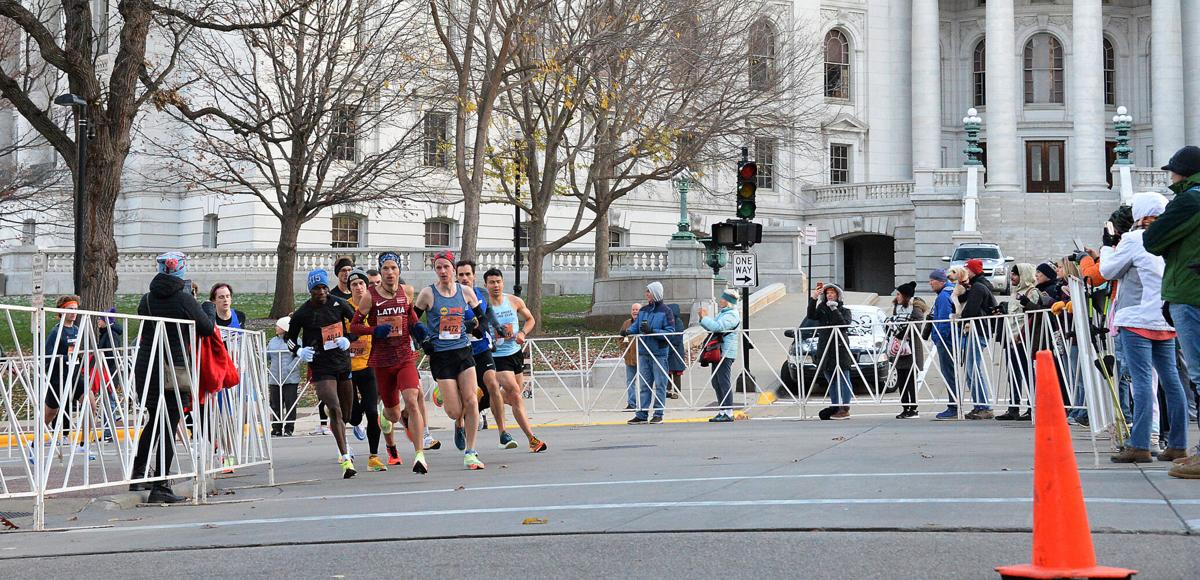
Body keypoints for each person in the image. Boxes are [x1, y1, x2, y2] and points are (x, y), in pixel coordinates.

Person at [1100, 192, 1190, 464]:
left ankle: (1139, 443)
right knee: (1171, 382)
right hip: (1165, 317)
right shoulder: (1173, 237)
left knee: (1141, 381)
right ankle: (1178, 442)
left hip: (1136, 318)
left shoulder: (1134, 238)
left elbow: (1108, 271)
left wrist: (1108, 246)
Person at [129, 252, 216, 503]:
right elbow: (207, 328)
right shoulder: (184, 299)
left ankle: (139, 473)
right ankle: (161, 485)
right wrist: (207, 307)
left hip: (147, 367)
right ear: (181, 271)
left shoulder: (146, 299)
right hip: (173, 370)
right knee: (169, 422)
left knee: (155, 420)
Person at [1144, 145, 1200, 478]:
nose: (1170, 177)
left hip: (1191, 290)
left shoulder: (1189, 200)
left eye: (1173, 171)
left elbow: (1153, 240)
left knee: (1198, 374)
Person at [350, 252, 433, 473]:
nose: (389, 272)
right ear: (380, 271)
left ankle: (419, 455)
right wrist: (374, 330)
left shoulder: (407, 291)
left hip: (405, 356)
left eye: (393, 268)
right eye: (385, 268)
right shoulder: (370, 297)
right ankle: (386, 419)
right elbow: (354, 327)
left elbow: (410, 316)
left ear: (399, 270)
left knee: (412, 400)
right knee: (393, 414)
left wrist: (418, 328)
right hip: (383, 360)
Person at [413, 250, 488, 470]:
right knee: (455, 411)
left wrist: (478, 328)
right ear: (435, 270)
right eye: (439, 267)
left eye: (446, 267)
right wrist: (424, 339)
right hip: (441, 356)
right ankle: (444, 396)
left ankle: (471, 452)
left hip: (463, 352)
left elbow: (481, 317)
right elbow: (413, 321)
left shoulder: (465, 291)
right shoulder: (428, 294)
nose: (443, 271)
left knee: (472, 400)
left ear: (453, 269)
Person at [286, 268, 359, 478]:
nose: (321, 292)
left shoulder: (338, 303)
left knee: (346, 414)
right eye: (316, 288)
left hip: (342, 363)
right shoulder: (302, 313)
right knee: (334, 408)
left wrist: (349, 339)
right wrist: (299, 350)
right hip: (321, 366)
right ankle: (346, 459)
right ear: (310, 290)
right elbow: (289, 339)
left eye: (324, 287)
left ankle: (341, 436)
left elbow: (357, 324)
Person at [483, 268, 547, 452]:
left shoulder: (514, 301)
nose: (495, 286)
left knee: (513, 397)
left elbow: (530, 319)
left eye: (498, 282)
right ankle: (532, 439)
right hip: (496, 357)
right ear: (486, 285)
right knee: (515, 394)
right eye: (491, 282)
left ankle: (488, 397)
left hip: (515, 353)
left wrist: (522, 333)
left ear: (503, 283)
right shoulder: (485, 307)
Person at [454, 260, 508, 450]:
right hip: (461, 350)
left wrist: (495, 326)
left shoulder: (481, 294)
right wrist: (466, 328)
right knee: (467, 397)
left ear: (474, 276)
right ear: (456, 277)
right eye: (461, 275)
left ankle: (503, 432)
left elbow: (488, 312)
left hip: (482, 348)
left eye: (468, 274)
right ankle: (459, 424)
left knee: (493, 383)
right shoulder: (452, 297)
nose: (464, 278)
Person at [38, 295, 95, 460]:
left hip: (76, 376)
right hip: (59, 378)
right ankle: (34, 445)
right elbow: (46, 356)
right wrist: (60, 360)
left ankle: (84, 445)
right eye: (70, 309)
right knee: (50, 414)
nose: (74, 313)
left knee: (90, 404)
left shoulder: (77, 329)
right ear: (61, 311)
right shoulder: (56, 331)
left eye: (76, 309)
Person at [344, 268, 389, 472]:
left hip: (369, 366)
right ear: (349, 288)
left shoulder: (374, 307)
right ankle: (353, 420)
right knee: (353, 416)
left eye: (362, 283)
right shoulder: (344, 308)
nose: (359, 287)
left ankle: (373, 456)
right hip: (348, 369)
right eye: (354, 284)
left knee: (372, 411)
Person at [621, 281, 676, 425]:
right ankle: (642, 413)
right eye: (646, 292)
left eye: (649, 292)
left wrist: (652, 331)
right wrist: (627, 331)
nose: (646, 294)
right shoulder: (644, 310)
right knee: (645, 384)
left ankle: (658, 413)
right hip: (644, 352)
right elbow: (636, 326)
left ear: (655, 293)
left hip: (659, 353)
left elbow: (670, 333)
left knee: (660, 384)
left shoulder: (666, 311)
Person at [957, 258, 998, 420]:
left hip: (977, 330)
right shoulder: (977, 286)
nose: (965, 272)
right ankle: (979, 405)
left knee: (973, 368)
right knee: (971, 369)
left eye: (967, 269)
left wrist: (960, 318)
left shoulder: (979, 287)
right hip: (977, 330)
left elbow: (970, 311)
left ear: (973, 271)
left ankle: (984, 406)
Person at [999, 263, 1041, 421]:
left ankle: (1032, 408)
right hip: (1011, 339)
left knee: (1028, 373)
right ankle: (1013, 407)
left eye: (1015, 274)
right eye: (1012, 274)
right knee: (1013, 374)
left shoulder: (1032, 292)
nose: (1012, 277)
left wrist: (1021, 335)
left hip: (1024, 340)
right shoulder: (1014, 292)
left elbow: (1032, 317)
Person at [808, 282, 854, 420]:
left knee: (844, 378)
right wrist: (814, 298)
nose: (830, 295)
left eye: (832, 293)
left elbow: (843, 324)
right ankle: (835, 405)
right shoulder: (822, 309)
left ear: (838, 295)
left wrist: (834, 309)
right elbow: (811, 316)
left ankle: (844, 407)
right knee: (831, 379)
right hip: (826, 347)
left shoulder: (844, 310)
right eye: (827, 293)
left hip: (840, 347)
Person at [698, 289, 741, 422]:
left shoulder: (732, 315)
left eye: (723, 298)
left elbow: (717, 327)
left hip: (725, 352)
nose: (720, 300)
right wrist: (703, 319)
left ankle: (728, 411)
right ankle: (722, 410)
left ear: (728, 301)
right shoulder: (724, 313)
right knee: (716, 381)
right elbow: (714, 328)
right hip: (719, 351)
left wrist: (704, 318)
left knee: (723, 381)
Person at [888, 282, 927, 419]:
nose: (896, 296)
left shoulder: (915, 307)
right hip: (899, 348)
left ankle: (913, 408)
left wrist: (902, 332)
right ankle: (905, 407)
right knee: (901, 379)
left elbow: (916, 325)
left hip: (911, 348)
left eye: (898, 294)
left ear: (905, 295)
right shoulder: (897, 308)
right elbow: (893, 323)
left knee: (911, 379)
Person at [926, 269, 961, 420]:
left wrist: (939, 338)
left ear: (941, 281)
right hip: (949, 339)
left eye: (932, 280)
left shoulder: (943, 296)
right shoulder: (949, 292)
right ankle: (954, 405)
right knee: (951, 373)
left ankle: (953, 406)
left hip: (946, 340)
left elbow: (944, 320)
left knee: (949, 373)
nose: (930, 283)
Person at [267, 316, 300, 437]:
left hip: (290, 378)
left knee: (290, 403)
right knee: (275, 403)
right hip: (275, 378)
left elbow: (298, 356)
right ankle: (276, 427)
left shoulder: (295, 340)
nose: (276, 328)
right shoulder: (273, 341)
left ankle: (289, 428)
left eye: (278, 326)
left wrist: (289, 368)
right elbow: (268, 355)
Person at [619, 303, 642, 411]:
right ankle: (631, 403)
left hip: (643, 358)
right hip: (630, 358)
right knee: (630, 381)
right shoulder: (626, 323)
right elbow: (620, 338)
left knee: (644, 382)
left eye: (637, 309)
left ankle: (643, 403)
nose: (635, 311)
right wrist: (625, 348)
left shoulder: (644, 323)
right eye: (633, 309)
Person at [666, 302, 686, 399]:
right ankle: (668, 390)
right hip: (669, 350)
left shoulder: (678, 322)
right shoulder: (667, 322)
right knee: (668, 371)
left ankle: (677, 391)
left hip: (676, 351)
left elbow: (676, 338)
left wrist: (669, 346)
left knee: (676, 373)